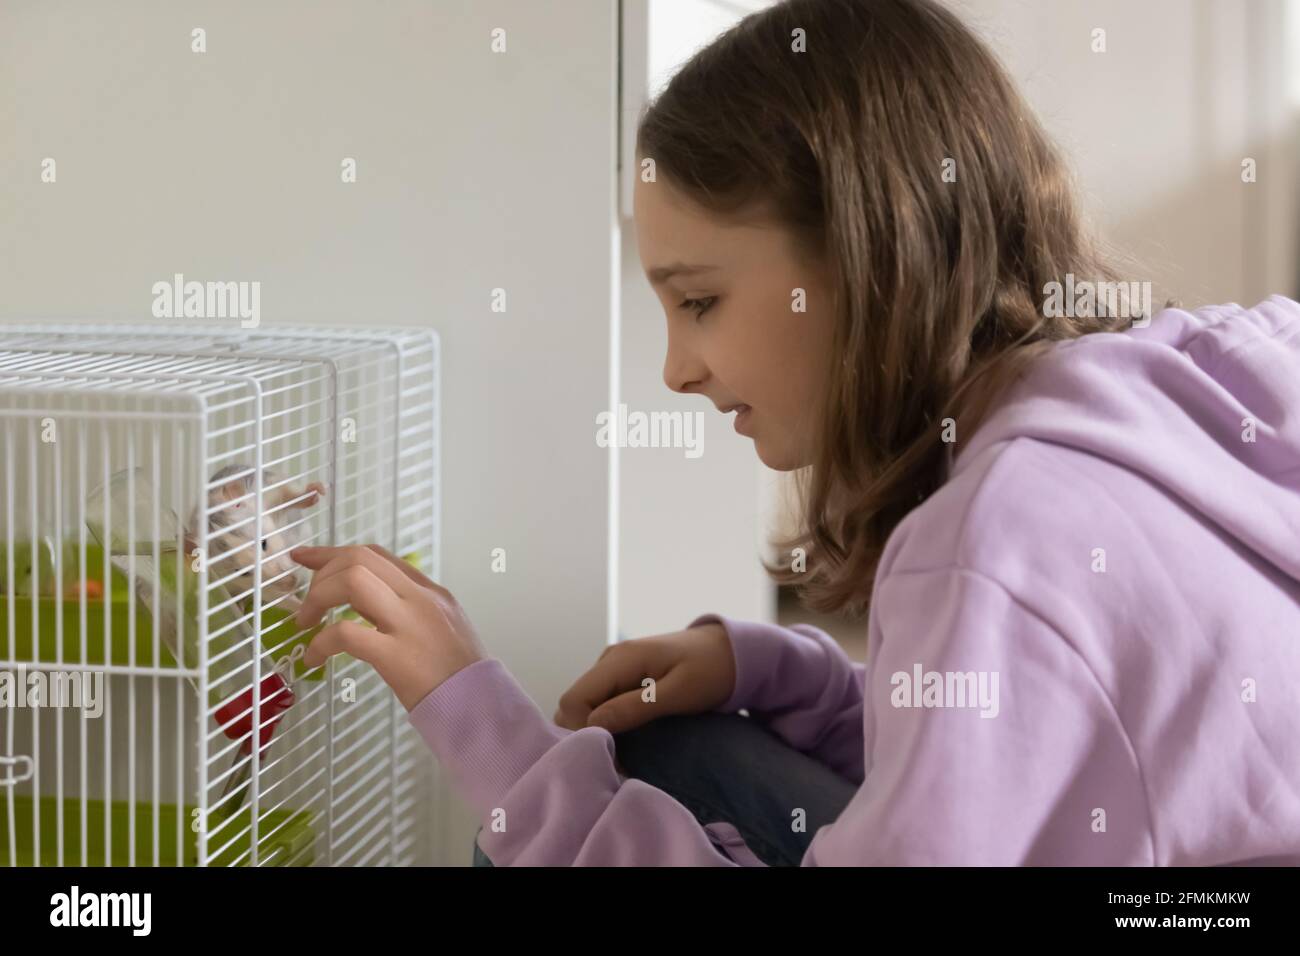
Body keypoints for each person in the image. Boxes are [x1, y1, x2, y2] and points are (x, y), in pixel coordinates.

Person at [290, 0, 1300, 865]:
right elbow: (1033, 747)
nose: (675, 369)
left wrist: (483, 723)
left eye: (699, 301)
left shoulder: (997, 535)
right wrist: (776, 673)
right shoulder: (1184, 384)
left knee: (595, 787)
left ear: (868, 255)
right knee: (677, 741)